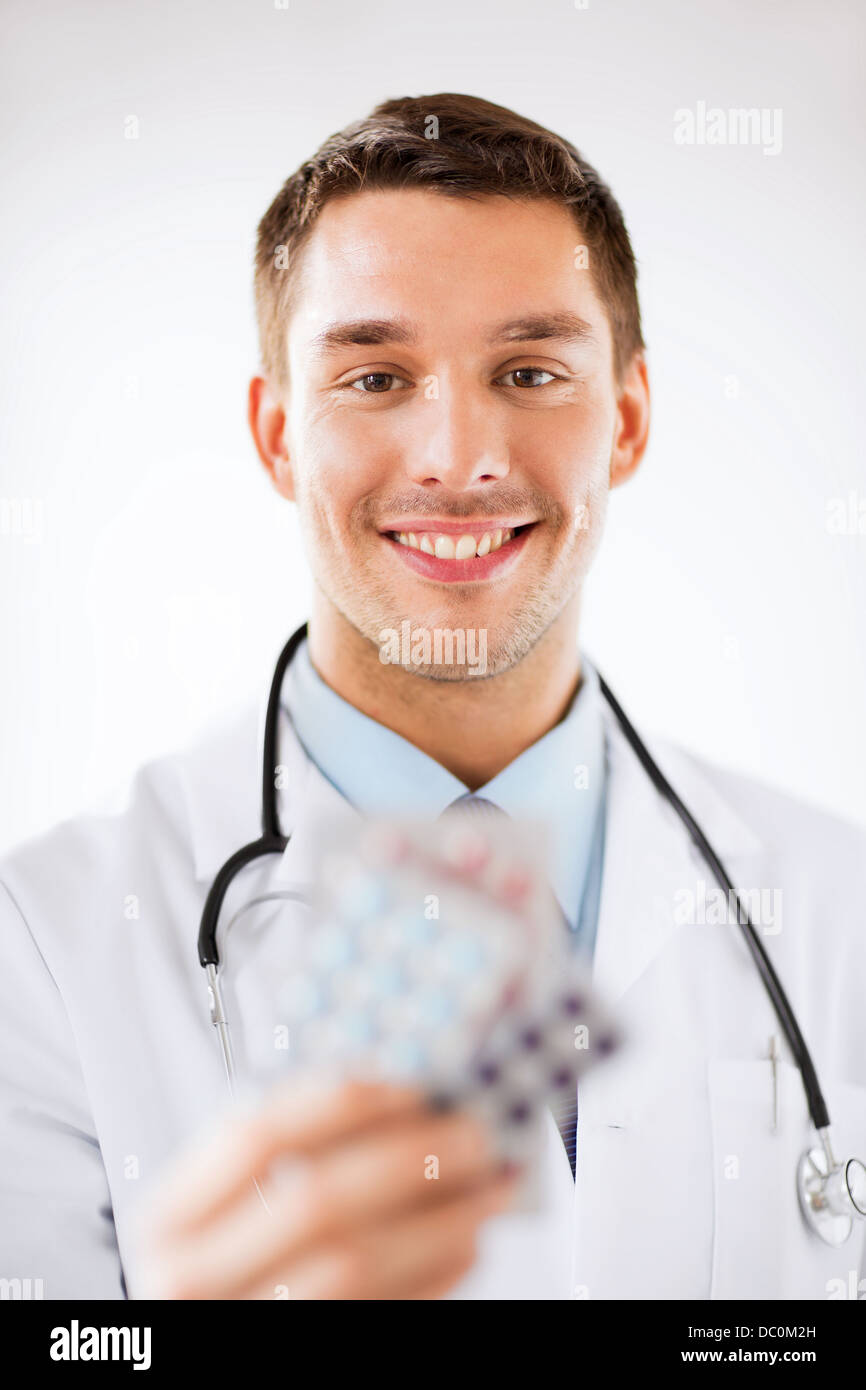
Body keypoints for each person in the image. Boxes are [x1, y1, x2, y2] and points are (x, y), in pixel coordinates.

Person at [1, 92, 864, 1303]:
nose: (458, 456)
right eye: (373, 375)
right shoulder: (39, 950)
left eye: (527, 369)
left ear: (624, 417)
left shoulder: (835, 911)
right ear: (275, 434)